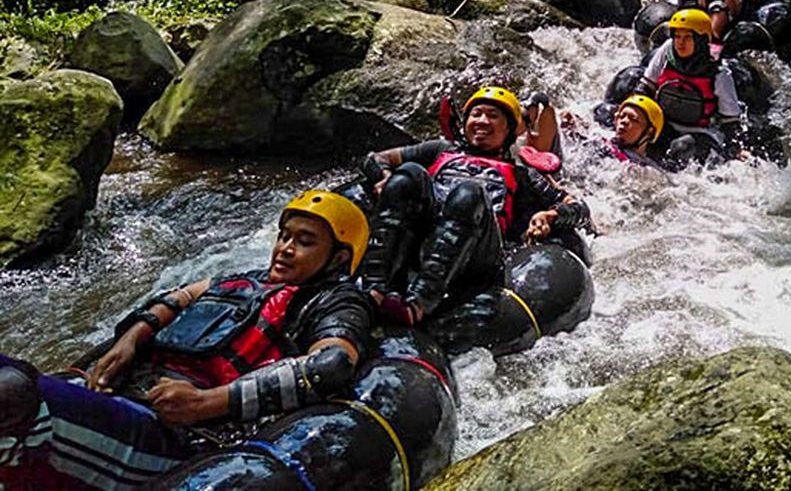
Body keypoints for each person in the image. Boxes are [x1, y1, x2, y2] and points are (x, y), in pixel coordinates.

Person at [0, 191, 374, 490]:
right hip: (120, 397)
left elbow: (332, 367)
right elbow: (178, 297)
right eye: (284, 236)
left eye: (304, 242)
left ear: (339, 258)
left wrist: (207, 403)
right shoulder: (243, 280)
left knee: (12, 392)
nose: (285, 248)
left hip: (177, 434)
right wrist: (129, 340)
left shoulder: (333, 301)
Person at [362, 86, 591, 328]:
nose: (482, 121)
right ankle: (374, 288)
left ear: (510, 129)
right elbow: (377, 158)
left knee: (469, 193)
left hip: (479, 255)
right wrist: (384, 178)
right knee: (408, 173)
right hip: (425, 237)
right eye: (476, 114)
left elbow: (577, 207)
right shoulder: (441, 150)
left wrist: (550, 215)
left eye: (493, 116)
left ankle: (419, 302)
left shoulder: (523, 174)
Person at [635, 10, 747, 162]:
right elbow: (645, 89)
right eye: (677, 36)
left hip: (702, 133)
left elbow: (730, 121)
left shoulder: (719, 73)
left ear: (701, 39)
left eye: (688, 37)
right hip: (666, 124)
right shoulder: (667, 51)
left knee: (681, 149)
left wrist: (734, 150)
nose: (680, 42)